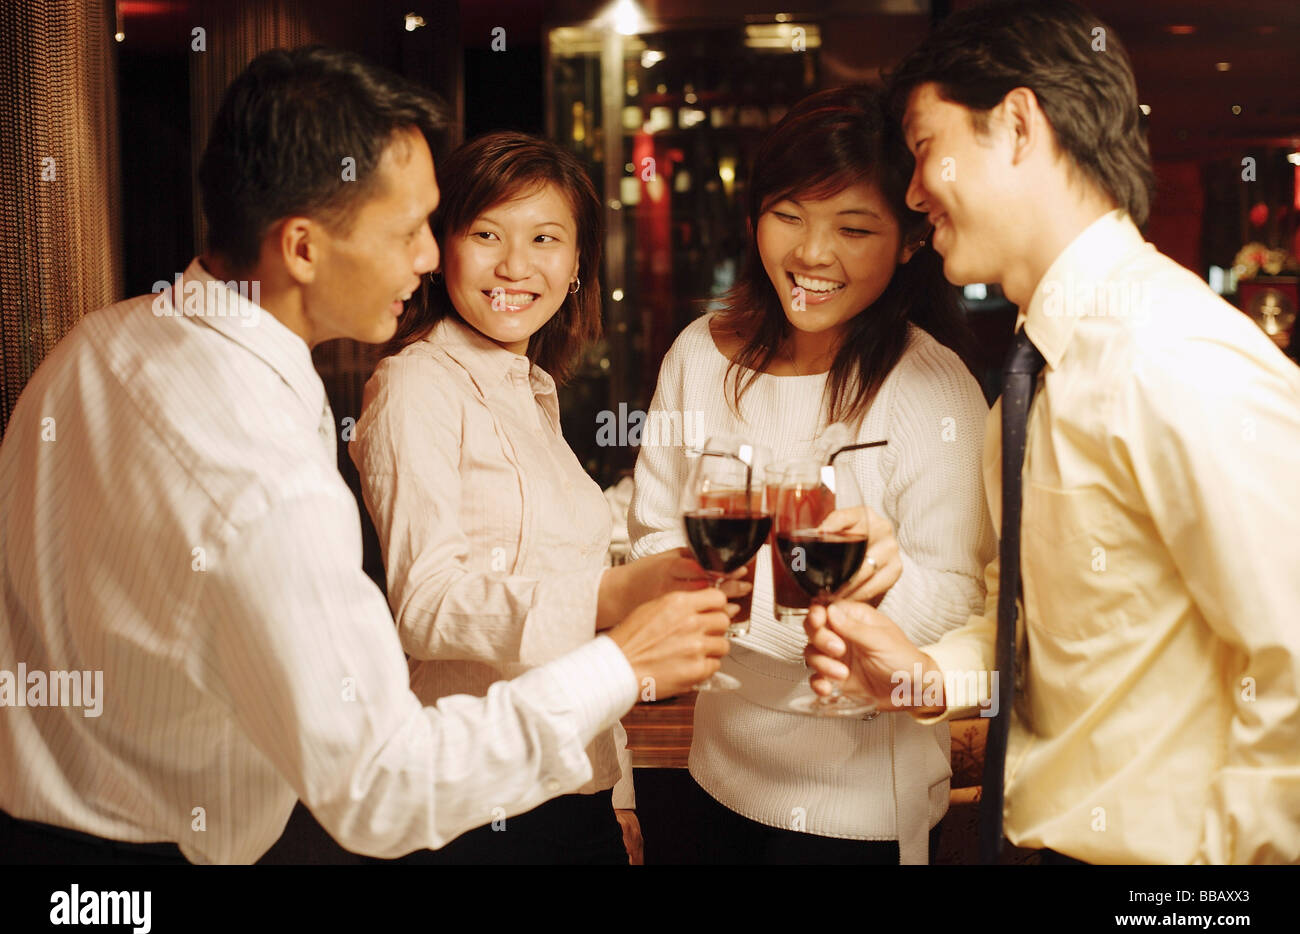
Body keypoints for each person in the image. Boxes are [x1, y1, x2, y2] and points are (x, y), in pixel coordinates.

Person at [0, 46, 733, 866]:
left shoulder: (101, 342)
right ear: (304, 248)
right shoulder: (263, 469)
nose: (431, 255)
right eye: (412, 229)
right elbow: (384, 786)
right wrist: (621, 659)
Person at [804, 0, 1300, 864]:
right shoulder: (1035, 382)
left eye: (926, 148)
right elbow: (1031, 625)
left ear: (1019, 124)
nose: (914, 191)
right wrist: (926, 674)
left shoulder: (1173, 357)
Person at [628, 86, 995, 865]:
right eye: (788, 215)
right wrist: (751, 600)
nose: (811, 254)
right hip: (712, 772)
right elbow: (653, 530)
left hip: (860, 808)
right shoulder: (699, 354)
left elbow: (960, 595)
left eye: (854, 228)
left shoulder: (935, 389)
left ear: (907, 241)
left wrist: (863, 594)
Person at [350, 131, 726, 864]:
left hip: (572, 793)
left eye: (545, 238)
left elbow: (574, 635)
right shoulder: (415, 385)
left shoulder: (535, 394)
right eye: (486, 233)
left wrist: (613, 791)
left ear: (578, 262)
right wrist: (612, 594)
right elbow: (423, 606)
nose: (515, 266)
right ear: (442, 248)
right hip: (474, 800)